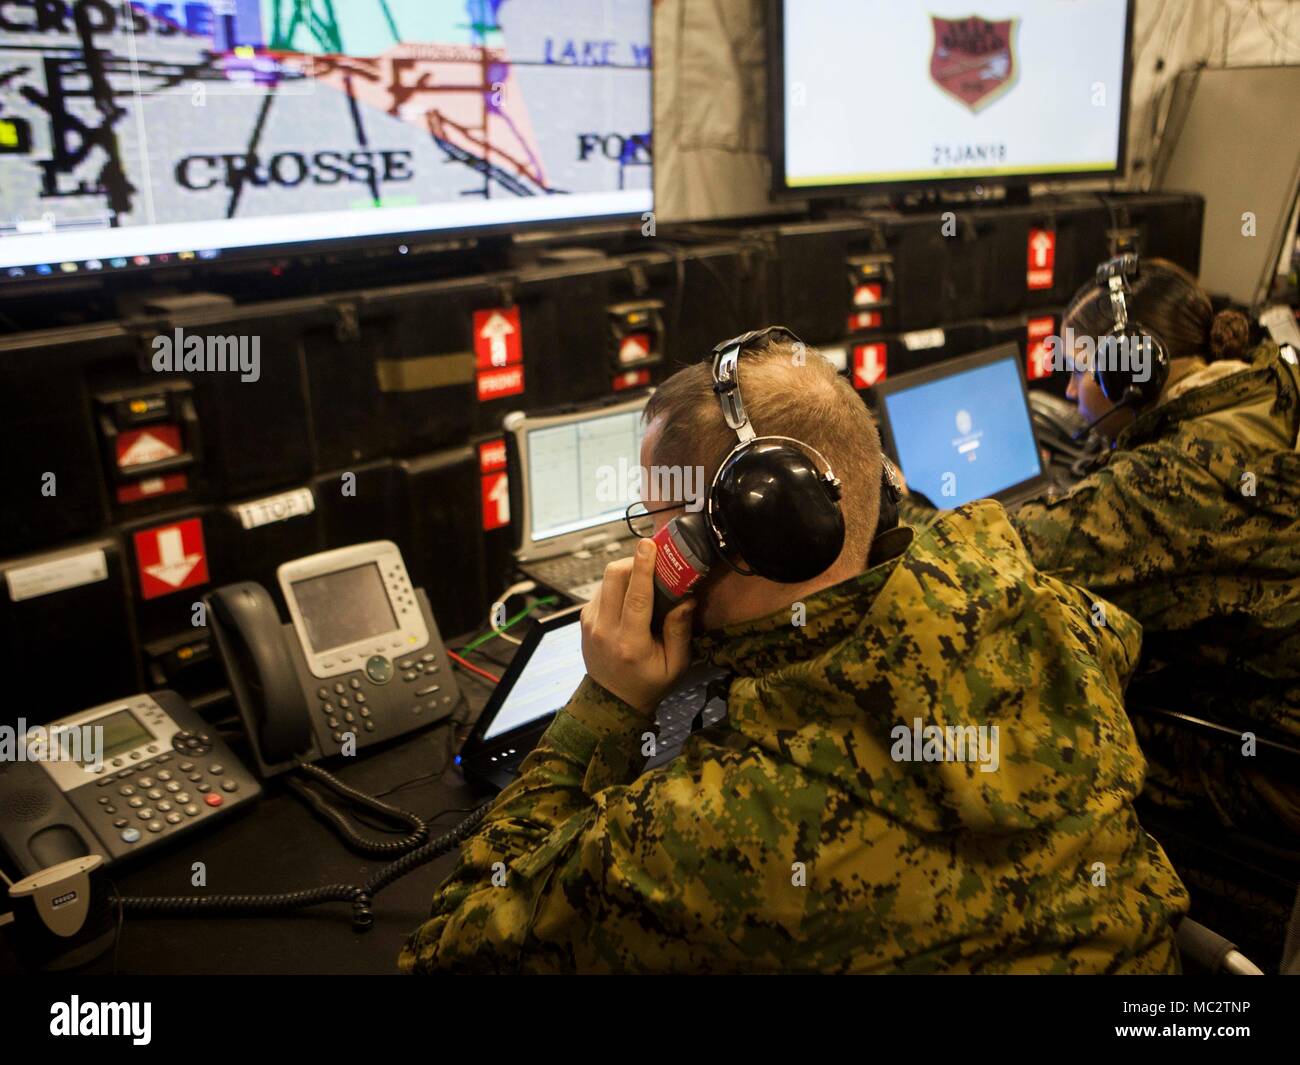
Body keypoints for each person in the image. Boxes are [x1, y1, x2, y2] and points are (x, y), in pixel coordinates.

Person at [399, 331, 1187, 974]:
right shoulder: (1047, 614)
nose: (648, 549)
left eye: (657, 521)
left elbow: (450, 948)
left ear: (736, 534)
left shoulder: (706, 826)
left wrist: (604, 703)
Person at [929, 258, 1300, 839]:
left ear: (1136, 377)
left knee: (1040, 721)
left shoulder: (1172, 481)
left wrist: (896, 501)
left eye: (1080, 372)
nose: (1071, 390)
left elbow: (994, 553)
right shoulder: (1271, 388)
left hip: (1270, 763)